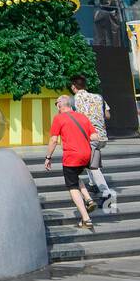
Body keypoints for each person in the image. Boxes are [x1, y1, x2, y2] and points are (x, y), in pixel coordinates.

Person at [45, 95, 98, 231]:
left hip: (72, 156)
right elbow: (95, 136)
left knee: (72, 187)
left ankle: (86, 219)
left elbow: (54, 140)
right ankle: (89, 199)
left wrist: (48, 157)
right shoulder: (82, 117)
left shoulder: (58, 118)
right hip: (86, 155)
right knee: (75, 177)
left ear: (59, 105)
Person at [70, 74, 118, 211]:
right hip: (102, 136)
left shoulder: (74, 100)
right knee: (90, 161)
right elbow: (107, 115)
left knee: (93, 166)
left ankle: (106, 193)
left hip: (88, 137)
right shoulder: (99, 97)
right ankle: (92, 183)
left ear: (73, 87)